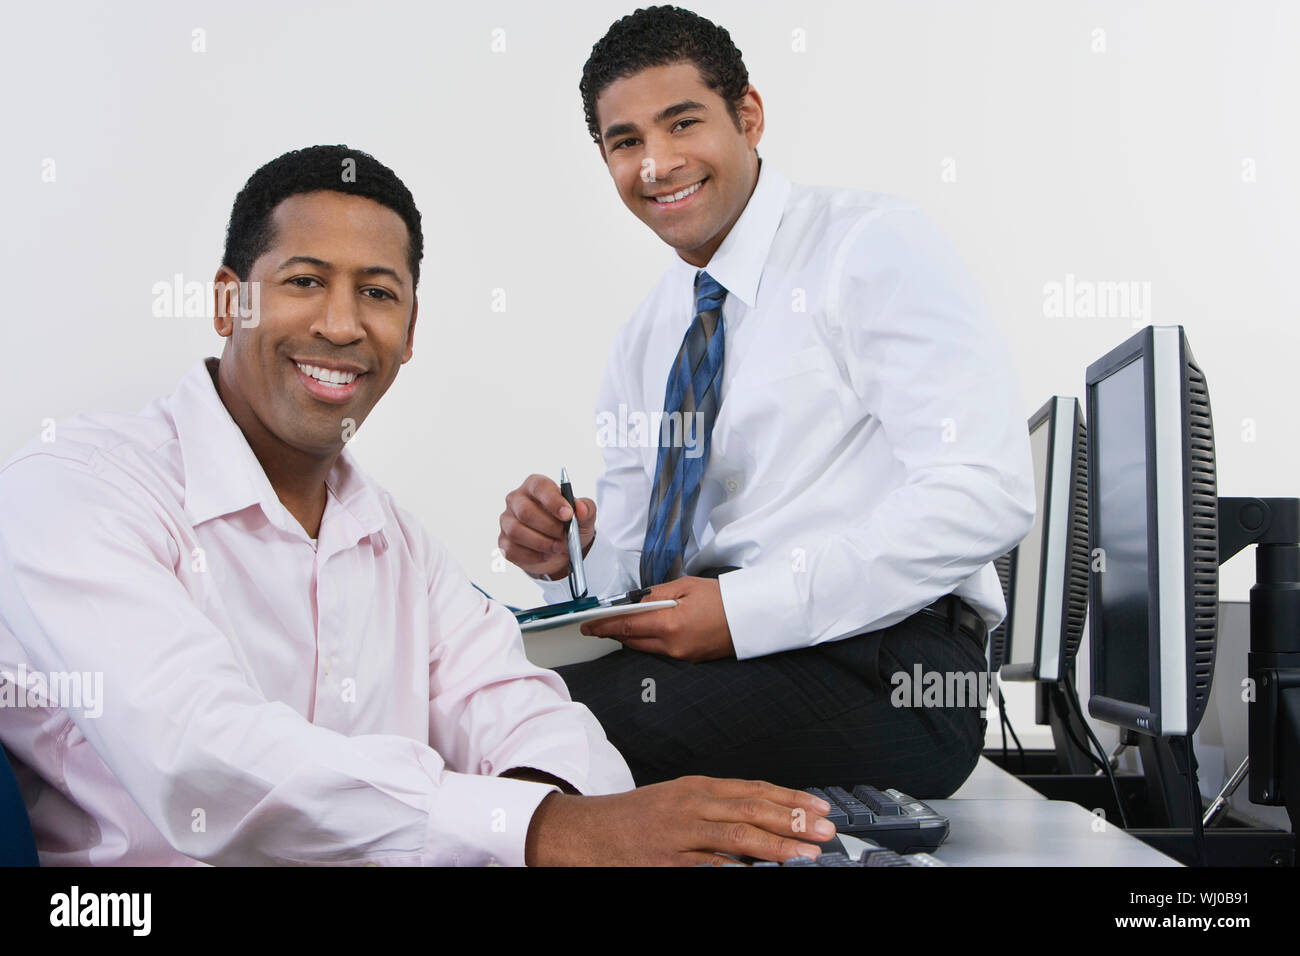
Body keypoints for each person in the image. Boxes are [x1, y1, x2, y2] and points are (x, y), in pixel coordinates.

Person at [0, 144, 834, 866]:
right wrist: (543, 833)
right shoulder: (77, 490)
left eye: (377, 292)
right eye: (304, 281)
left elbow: (518, 706)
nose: (340, 324)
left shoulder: (394, 540)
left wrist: (575, 824)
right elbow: (199, 756)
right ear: (230, 300)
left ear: (411, 326)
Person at [498, 7, 1036, 795]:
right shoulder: (646, 337)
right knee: (489, 690)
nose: (657, 163)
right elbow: (639, 566)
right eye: (626, 143)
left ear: (747, 115)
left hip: (891, 668)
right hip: (723, 666)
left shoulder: (870, 245)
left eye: (683, 123)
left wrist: (744, 612)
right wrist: (566, 560)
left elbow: (984, 492)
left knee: (545, 722)